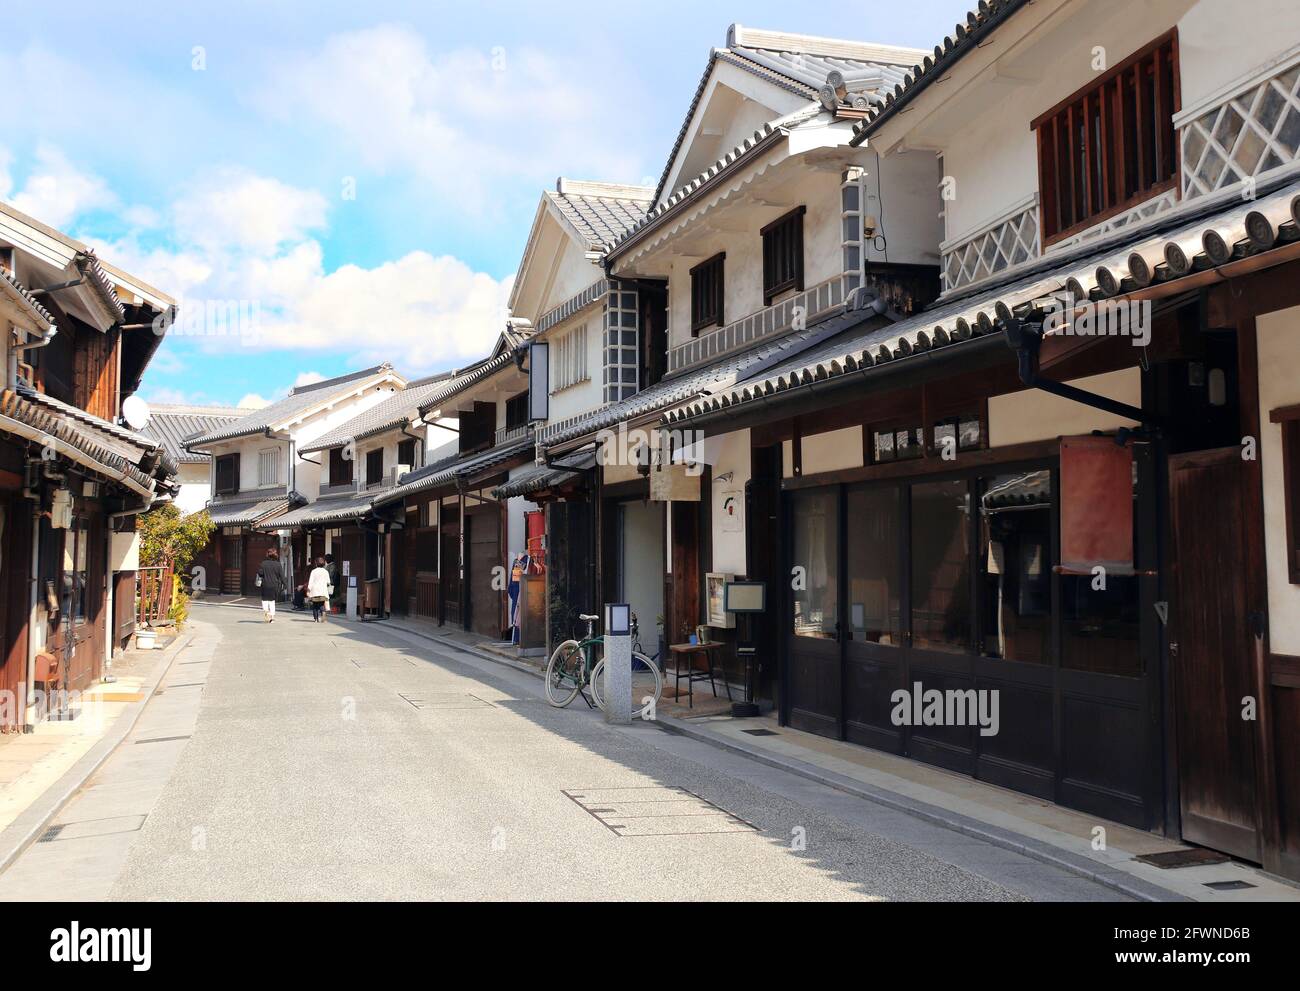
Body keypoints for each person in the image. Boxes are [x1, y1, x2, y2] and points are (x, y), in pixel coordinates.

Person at [257, 548, 286, 623]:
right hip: (274, 585)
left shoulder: (263, 563)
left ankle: (266, 612)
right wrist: (285, 585)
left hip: (265, 584)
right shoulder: (278, 564)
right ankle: (272, 618)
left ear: (268, 554)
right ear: (275, 555)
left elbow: (260, 573)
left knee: (265, 600)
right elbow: (282, 576)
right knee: (272, 601)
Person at [307, 556, 334, 624]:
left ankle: (316, 619)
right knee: (322, 605)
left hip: (314, 591)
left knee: (315, 606)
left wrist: (308, 590)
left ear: (316, 563)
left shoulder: (313, 571)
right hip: (323, 591)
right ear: (324, 564)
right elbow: (328, 582)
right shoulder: (325, 572)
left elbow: (310, 582)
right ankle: (323, 619)